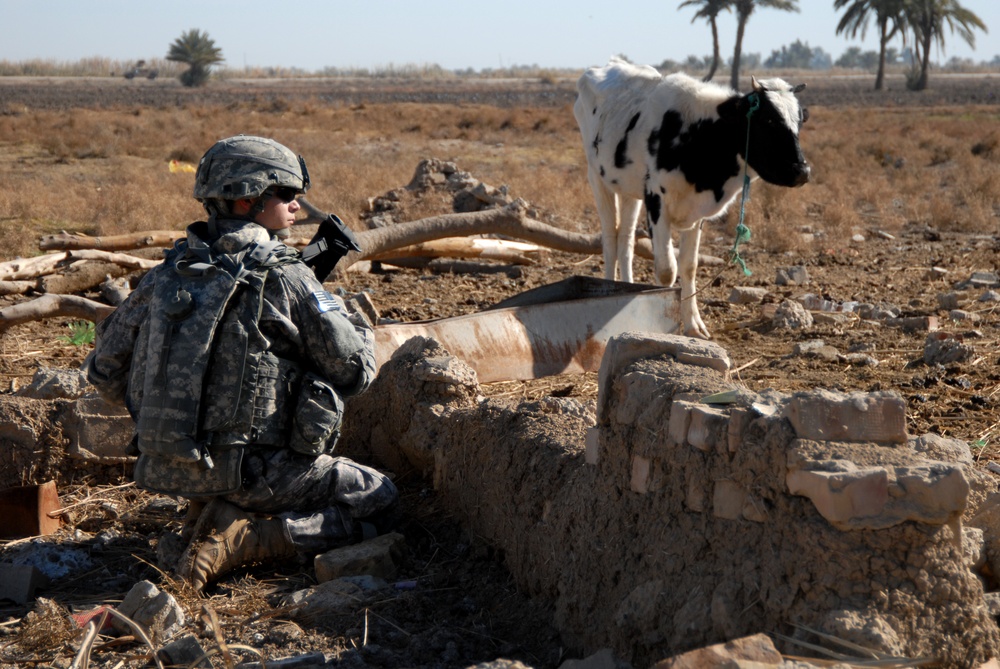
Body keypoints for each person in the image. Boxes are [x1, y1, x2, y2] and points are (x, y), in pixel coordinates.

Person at [85, 135, 399, 592]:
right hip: (257, 473)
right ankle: (248, 539)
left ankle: (205, 510)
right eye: (286, 194)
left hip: (170, 470)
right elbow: (353, 373)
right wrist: (352, 319)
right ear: (248, 198)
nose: (297, 205)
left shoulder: (165, 274)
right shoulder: (288, 276)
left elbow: (104, 373)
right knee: (379, 497)